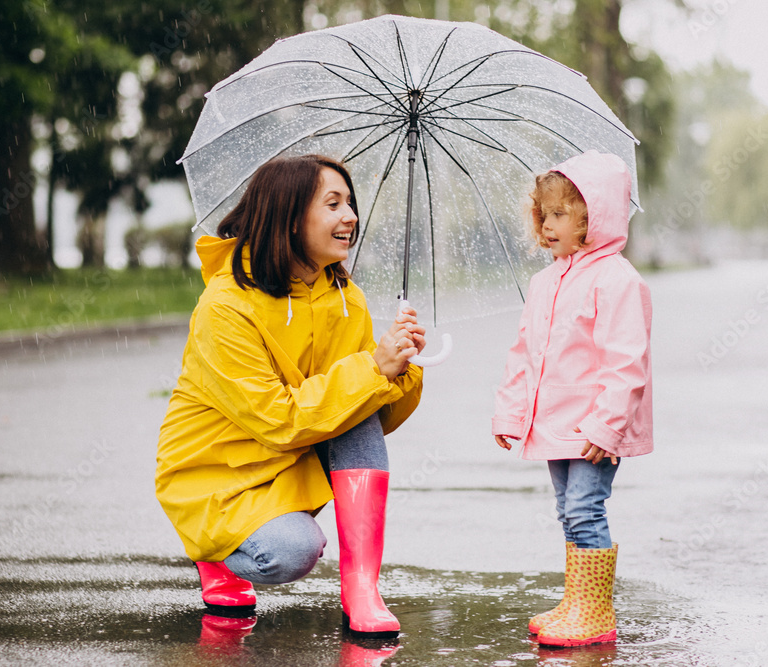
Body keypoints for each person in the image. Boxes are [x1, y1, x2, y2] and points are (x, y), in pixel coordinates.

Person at [156, 154, 425, 639]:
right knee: (292, 551)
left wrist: (398, 368)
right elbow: (276, 420)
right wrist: (371, 369)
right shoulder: (225, 306)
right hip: (222, 474)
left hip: (290, 461)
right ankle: (215, 552)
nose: (351, 217)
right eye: (334, 204)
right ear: (289, 216)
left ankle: (362, 591)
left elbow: (370, 418)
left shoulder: (346, 297)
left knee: (358, 410)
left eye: (351, 204)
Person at [491, 150, 653, 647]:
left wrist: (606, 428)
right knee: (568, 510)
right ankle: (577, 600)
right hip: (555, 425)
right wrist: (512, 412)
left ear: (593, 216)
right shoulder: (545, 282)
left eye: (560, 214)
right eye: (543, 215)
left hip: (593, 431)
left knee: (585, 509)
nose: (547, 226)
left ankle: (596, 613)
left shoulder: (616, 279)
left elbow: (626, 361)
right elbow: (525, 354)